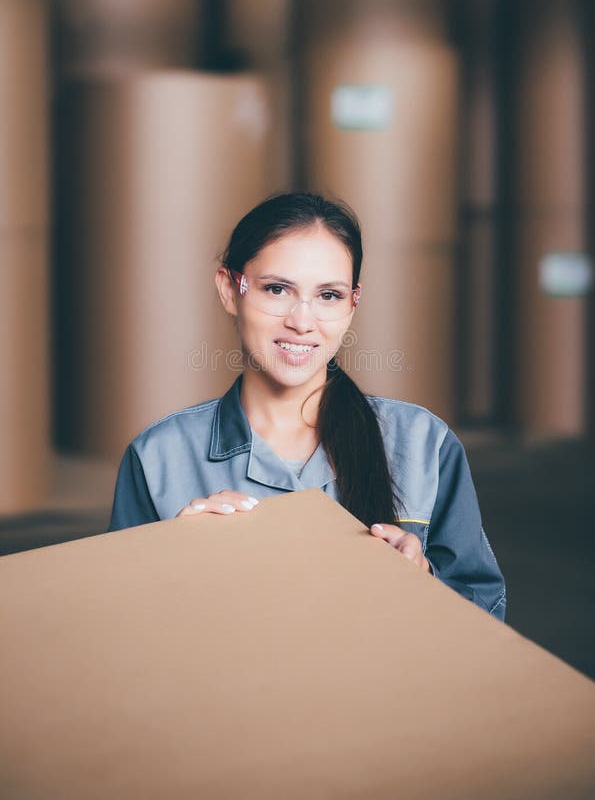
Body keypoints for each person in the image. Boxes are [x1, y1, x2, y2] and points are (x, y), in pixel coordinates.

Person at [109, 192, 506, 621]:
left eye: (329, 296)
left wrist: (422, 576)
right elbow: (119, 627)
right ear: (229, 289)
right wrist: (169, 563)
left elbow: (483, 613)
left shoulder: (424, 444)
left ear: (353, 304)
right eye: (277, 289)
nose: (302, 320)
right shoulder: (158, 458)